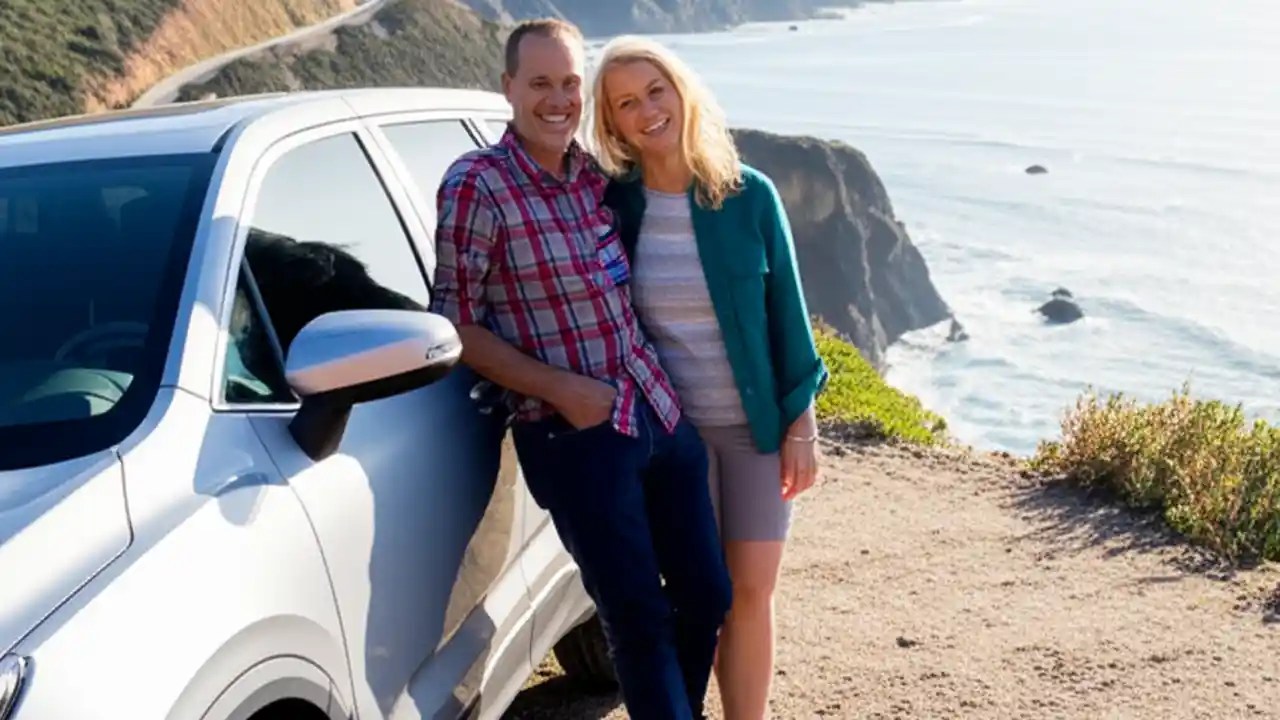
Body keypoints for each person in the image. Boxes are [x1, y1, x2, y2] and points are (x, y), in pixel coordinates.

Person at [429, 19, 733, 720]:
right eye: (540, 83)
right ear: (508, 88)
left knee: (707, 594)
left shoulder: (592, 176)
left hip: (656, 408)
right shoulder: (479, 184)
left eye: (569, 82)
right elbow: (454, 321)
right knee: (636, 614)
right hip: (575, 437)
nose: (558, 98)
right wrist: (563, 390)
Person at [592, 35, 827, 720]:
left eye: (655, 91)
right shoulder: (614, 205)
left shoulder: (749, 195)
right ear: (612, 123)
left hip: (755, 431)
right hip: (671, 441)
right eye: (626, 103)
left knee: (752, 592)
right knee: (699, 595)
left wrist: (802, 423)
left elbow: (788, 312)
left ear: (681, 92)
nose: (646, 111)